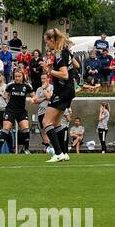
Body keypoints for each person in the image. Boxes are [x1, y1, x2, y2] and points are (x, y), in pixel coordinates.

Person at [39, 29, 75, 162]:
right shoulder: (66, 51)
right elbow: (75, 64)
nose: (46, 45)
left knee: (46, 122)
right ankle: (64, 153)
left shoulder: (60, 54)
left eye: (47, 42)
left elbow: (65, 75)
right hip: (68, 90)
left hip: (62, 91)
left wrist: (50, 70)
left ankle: (58, 152)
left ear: (52, 40)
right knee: (55, 123)